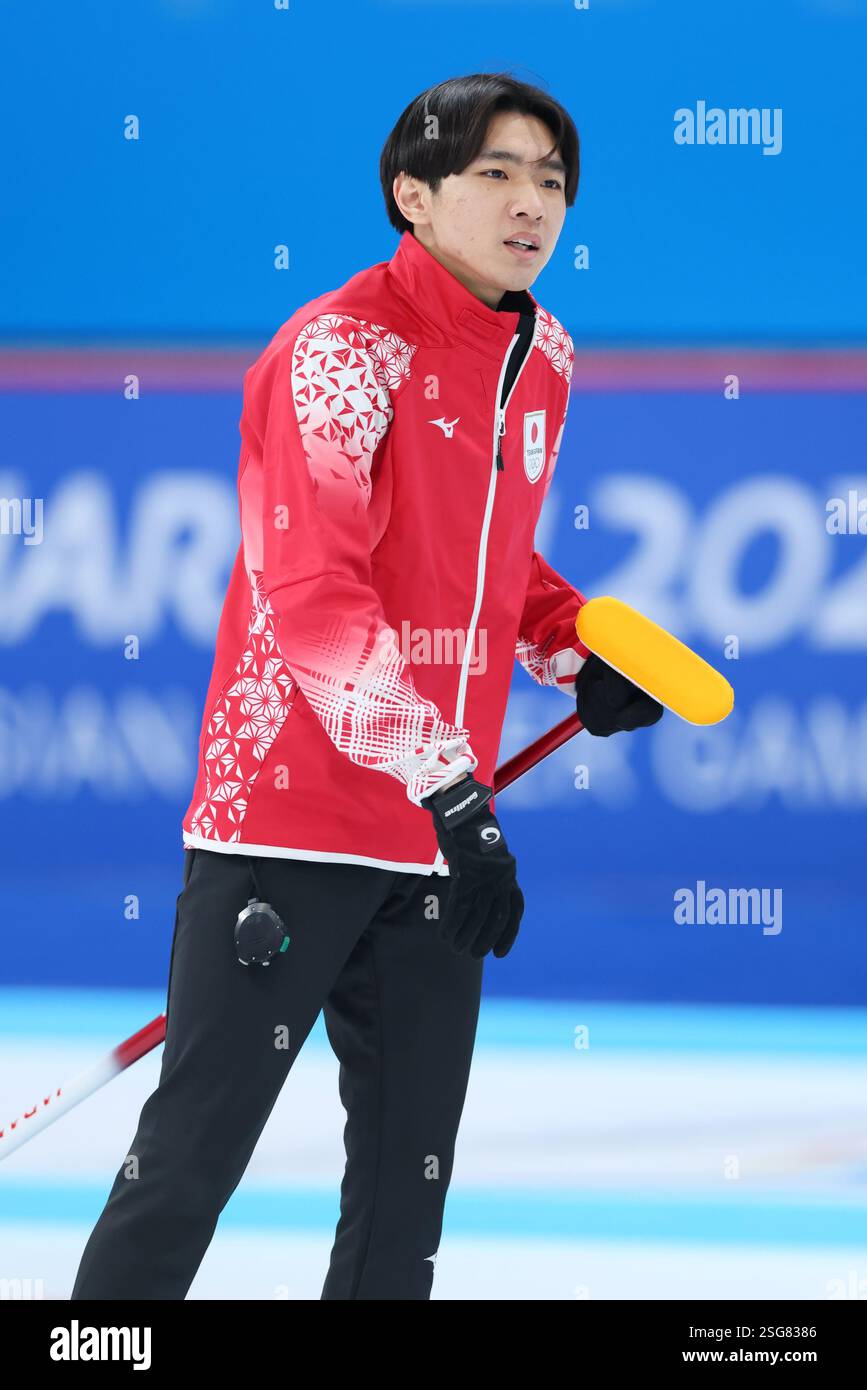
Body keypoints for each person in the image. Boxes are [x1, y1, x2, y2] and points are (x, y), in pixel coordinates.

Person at [70, 71, 661, 1303]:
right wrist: (449, 780)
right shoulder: (338, 351)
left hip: (436, 838)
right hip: (287, 821)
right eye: (495, 173)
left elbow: (490, 566)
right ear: (414, 195)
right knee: (187, 1169)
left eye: (551, 181)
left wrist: (575, 649)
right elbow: (317, 597)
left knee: (406, 1200)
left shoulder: (539, 353)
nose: (530, 204)